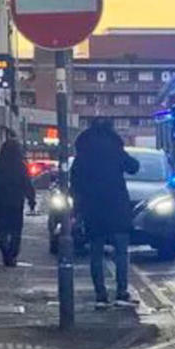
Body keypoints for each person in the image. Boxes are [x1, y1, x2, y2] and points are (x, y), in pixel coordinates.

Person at [70, 118, 140, 309]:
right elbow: (134, 167)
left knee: (96, 254)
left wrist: (77, 209)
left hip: (93, 209)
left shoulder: (83, 153)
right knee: (121, 253)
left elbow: (74, 181)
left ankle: (100, 296)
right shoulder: (114, 147)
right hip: (116, 207)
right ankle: (121, 293)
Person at [0, 139, 36, 267]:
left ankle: (6, 253)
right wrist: (31, 200)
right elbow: (27, 184)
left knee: (0, 231)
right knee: (15, 231)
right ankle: (12, 254)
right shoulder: (20, 166)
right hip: (15, 204)